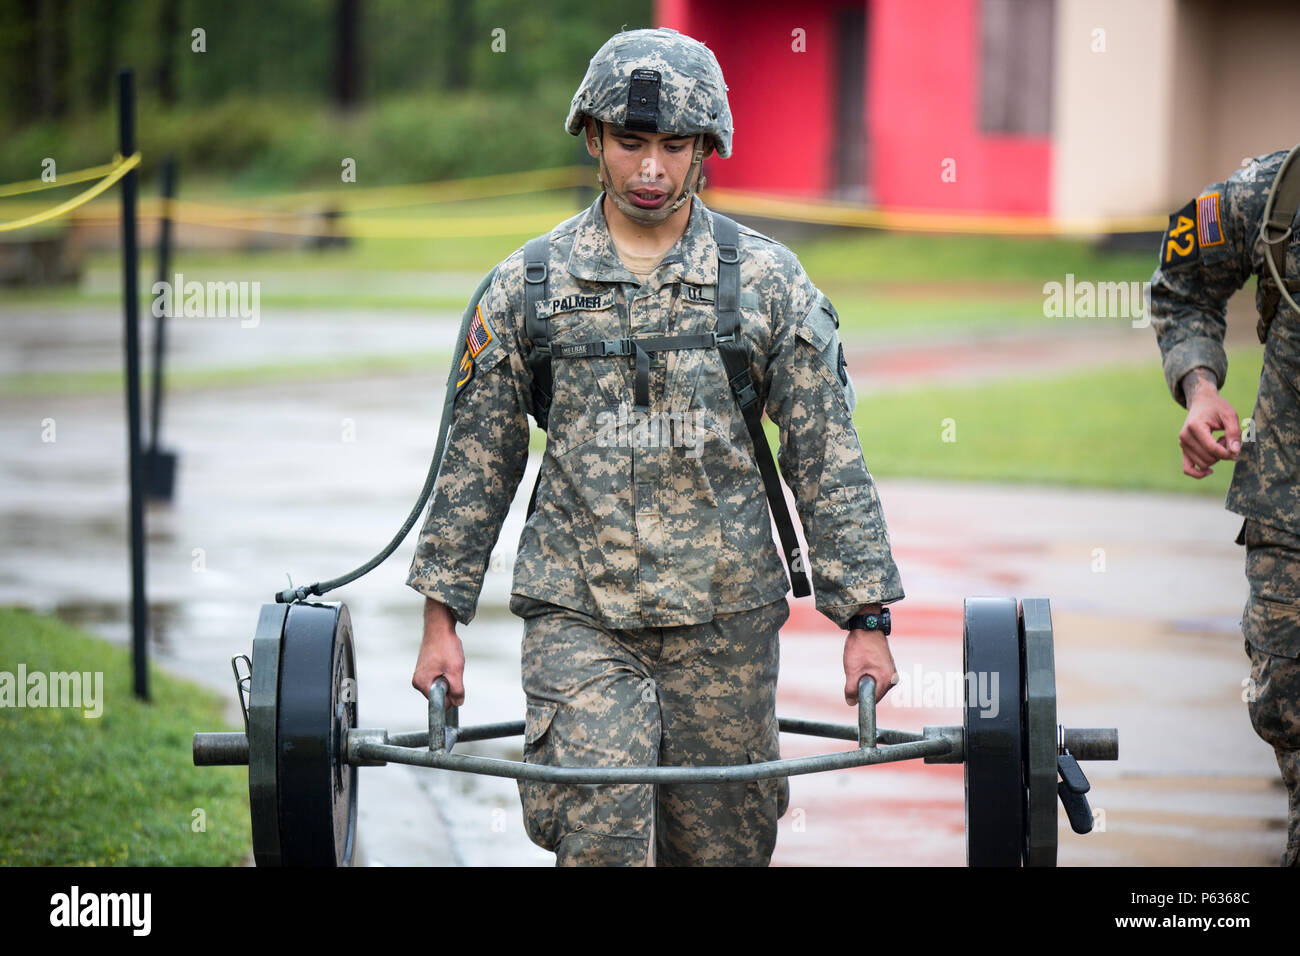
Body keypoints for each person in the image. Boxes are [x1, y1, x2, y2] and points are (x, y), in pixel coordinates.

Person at [406, 27, 905, 866]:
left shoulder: (769, 284)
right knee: (600, 834)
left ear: (707, 148)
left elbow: (827, 458)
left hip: (724, 622)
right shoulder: (527, 288)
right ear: (593, 139)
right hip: (579, 613)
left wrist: (866, 618)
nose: (650, 168)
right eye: (630, 142)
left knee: (721, 851)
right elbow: (473, 469)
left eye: (674, 146)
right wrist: (440, 620)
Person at [1149, 144, 1300, 867]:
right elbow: (1181, 283)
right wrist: (1200, 387)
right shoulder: (1276, 193)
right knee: (1288, 710)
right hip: (1291, 517)